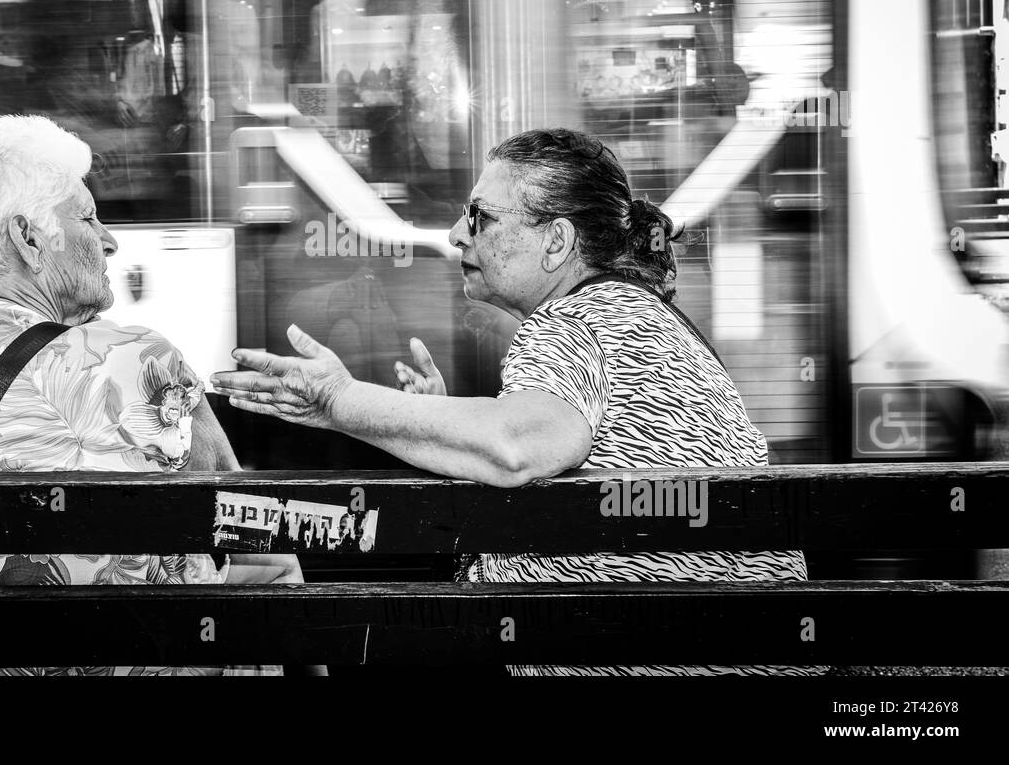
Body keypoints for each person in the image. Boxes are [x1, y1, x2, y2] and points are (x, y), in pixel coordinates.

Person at [212, 128, 821, 675]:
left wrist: (339, 400)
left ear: (556, 241)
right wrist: (440, 420)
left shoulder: (574, 320)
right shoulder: (640, 317)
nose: (455, 234)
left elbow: (517, 447)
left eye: (479, 218)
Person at [0, 114, 306, 675]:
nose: (108, 240)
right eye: (87, 217)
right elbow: (240, 521)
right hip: (150, 664)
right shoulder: (142, 356)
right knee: (274, 566)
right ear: (28, 239)